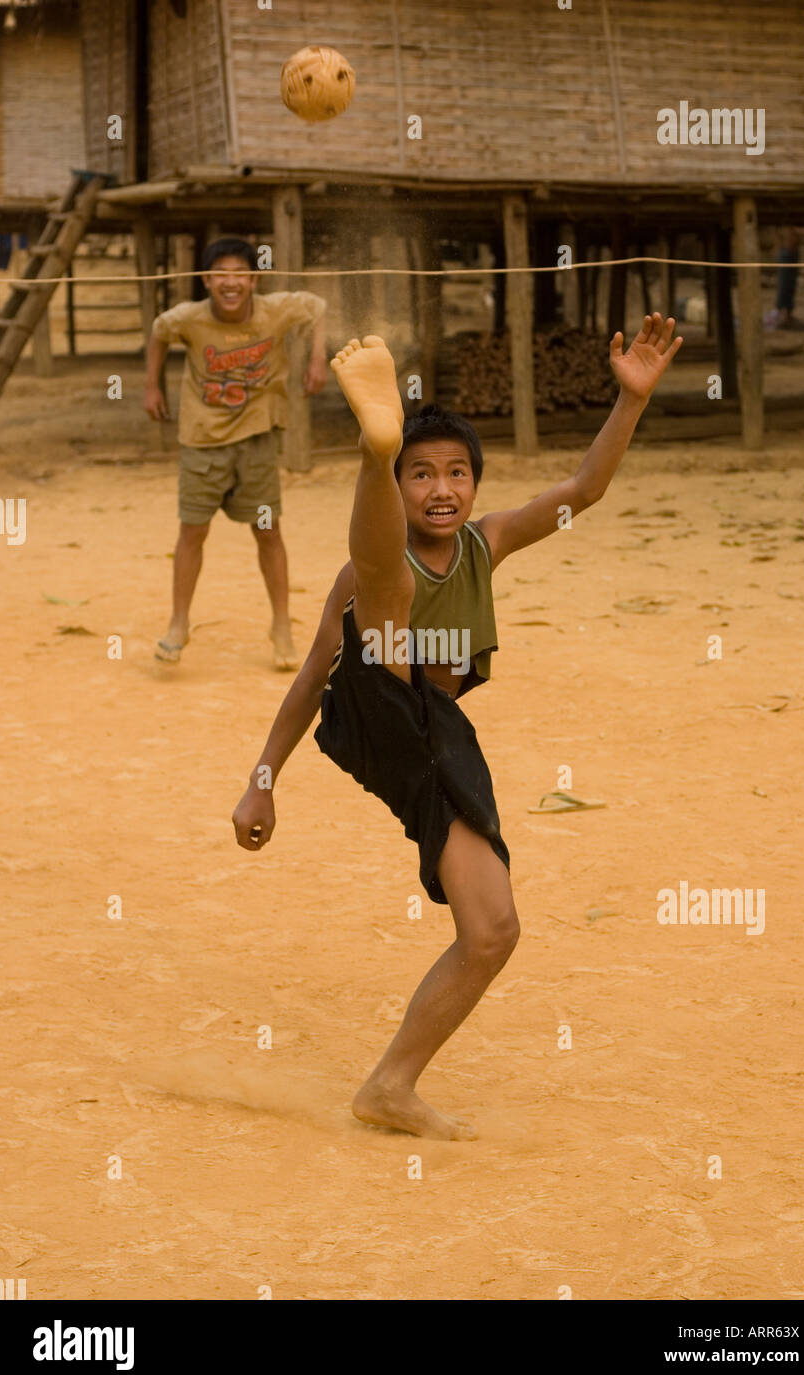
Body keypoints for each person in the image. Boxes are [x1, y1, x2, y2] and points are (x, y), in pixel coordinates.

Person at [232, 315, 683, 1140]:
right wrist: (261, 781)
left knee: (492, 932)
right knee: (384, 585)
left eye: (456, 474)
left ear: (475, 485)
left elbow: (582, 492)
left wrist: (629, 402)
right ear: (400, 487)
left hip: (432, 734)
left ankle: (390, 1087)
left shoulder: (489, 541)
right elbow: (310, 680)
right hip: (371, 703)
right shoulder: (372, 568)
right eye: (418, 474)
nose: (441, 489)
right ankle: (371, 445)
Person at [144, 237, 327, 668]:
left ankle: (281, 626)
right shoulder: (187, 319)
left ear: (253, 279)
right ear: (206, 279)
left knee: (268, 531)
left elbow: (317, 306)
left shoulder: (276, 310)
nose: (231, 282)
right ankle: (179, 623)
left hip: (258, 442)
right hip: (202, 444)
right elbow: (158, 332)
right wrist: (151, 385)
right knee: (193, 531)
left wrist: (317, 358)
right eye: (220, 274)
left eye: (239, 274)